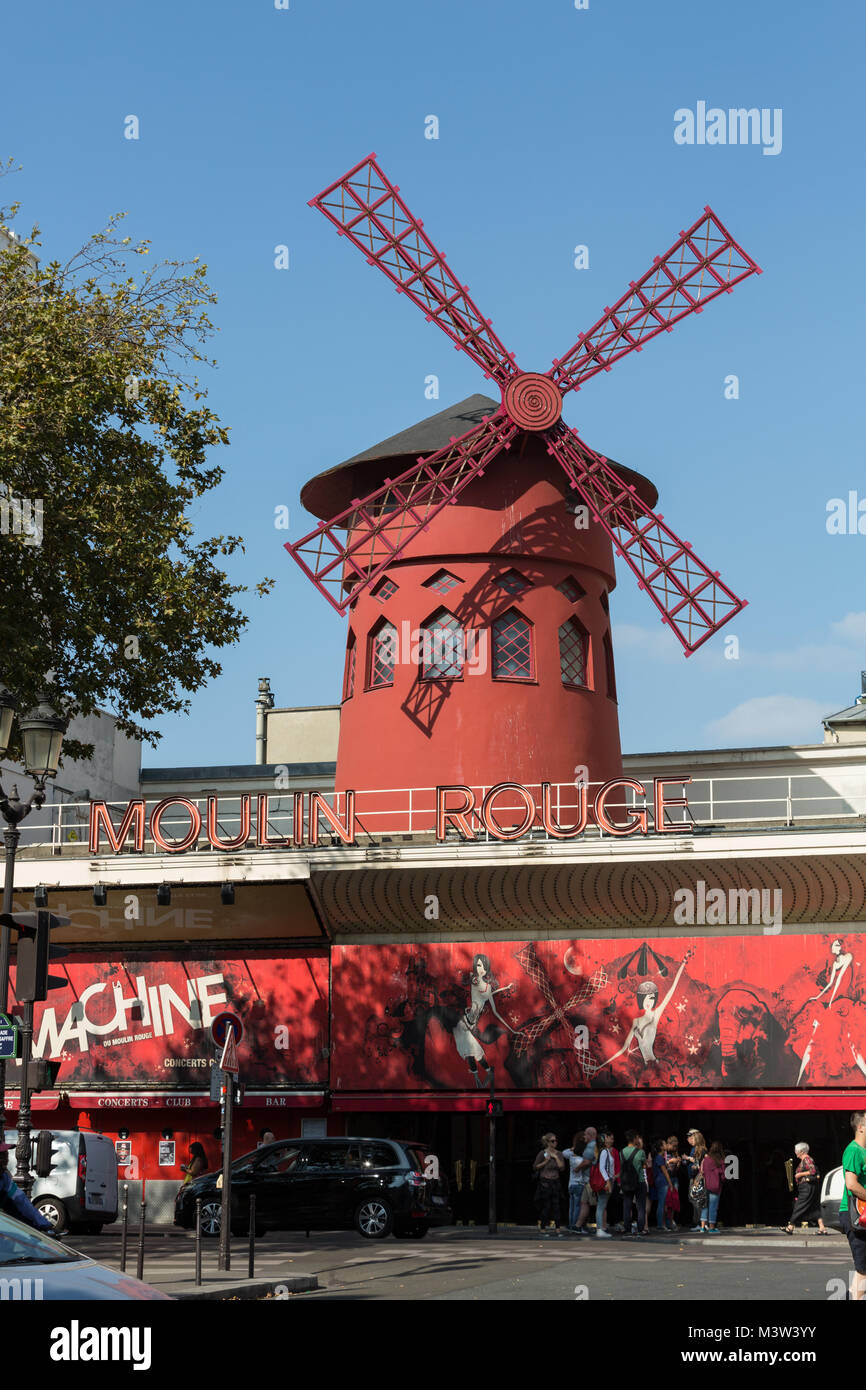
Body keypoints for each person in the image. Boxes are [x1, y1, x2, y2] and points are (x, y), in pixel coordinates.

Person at [840, 1111, 866, 1300]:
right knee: (863, 1269)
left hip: (863, 1212)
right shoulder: (853, 1150)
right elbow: (851, 1184)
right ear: (861, 1127)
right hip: (856, 1215)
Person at [0, 1142, 53, 1233]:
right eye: (1, 1156)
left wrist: (44, 1225)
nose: (6, 1160)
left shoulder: (4, 1178)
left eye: (6, 1155)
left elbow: (21, 1200)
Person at [783, 1141, 826, 1234]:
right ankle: (822, 1228)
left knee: (798, 1206)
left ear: (801, 1151)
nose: (795, 1152)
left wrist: (799, 1174)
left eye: (796, 1150)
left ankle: (790, 1227)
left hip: (807, 1188)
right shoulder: (806, 1160)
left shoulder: (807, 1159)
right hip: (810, 1187)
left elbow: (813, 1171)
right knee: (814, 1208)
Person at [533, 1132, 566, 1237]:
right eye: (552, 1141)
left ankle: (557, 1229)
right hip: (545, 1183)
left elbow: (562, 1167)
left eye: (556, 1140)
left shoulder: (559, 1153)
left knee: (556, 1206)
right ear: (547, 1142)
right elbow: (535, 1166)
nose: (555, 1142)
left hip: (555, 1182)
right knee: (546, 1206)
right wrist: (545, 1161)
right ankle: (543, 1228)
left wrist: (555, 1157)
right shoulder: (542, 1153)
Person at [620, 1130, 647, 1238]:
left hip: (626, 1181)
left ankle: (627, 1229)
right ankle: (640, 1229)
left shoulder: (621, 1152)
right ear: (635, 1138)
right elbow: (644, 1165)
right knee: (640, 1207)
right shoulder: (640, 1152)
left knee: (627, 1206)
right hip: (639, 1181)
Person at [572, 1126, 598, 1234]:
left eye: (585, 1134)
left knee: (599, 1205)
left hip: (590, 1181)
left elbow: (587, 1162)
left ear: (590, 1135)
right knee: (584, 1203)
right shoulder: (594, 1146)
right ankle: (578, 1226)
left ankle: (601, 1227)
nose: (584, 1136)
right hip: (588, 1180)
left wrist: (577, 1168)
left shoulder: (591, 1146)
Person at [562, 1128, 589, 1232]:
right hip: (579, 1184)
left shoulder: (571, 1157)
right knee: (578, 1207)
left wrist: (572, 1148)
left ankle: (571, 1225)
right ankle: (575, 1226)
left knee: (572, 1207)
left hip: (571, 1184)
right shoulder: (582, 1159)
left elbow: (564, 1153)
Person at [594, 1130, 616, 1239]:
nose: (610, 1139)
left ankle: (600, 1229)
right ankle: (599, 1229)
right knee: (601, 1205)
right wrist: (608, 1182)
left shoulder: (605, 1151)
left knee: (602, 1205)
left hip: (607, 1180)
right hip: (605, 1181)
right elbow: (602, 1168)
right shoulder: (604, 1152)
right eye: (607, 1137)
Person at [700, 1140, 726, 1232]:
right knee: (713, 1207)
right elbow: (723, 1175)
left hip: (706, 1185)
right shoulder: (720, 1161)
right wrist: (722, 1181)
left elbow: (702, 1171)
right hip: (715, 1186)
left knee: (704, 1206)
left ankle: (702, 1227)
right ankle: (711, 1227)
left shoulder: (706, 1160)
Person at [685, 1128, 707, 1230]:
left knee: (696, 1199)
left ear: (697, 1138)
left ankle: (700, 1222)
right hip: (694, 1177)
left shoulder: (701, 1150)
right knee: (695, 1199)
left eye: (692, 1138)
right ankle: (699, 1222)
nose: (689, 1139)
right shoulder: (695, 1149)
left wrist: (691, 1161)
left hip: (697, 1178)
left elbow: (702, 1164)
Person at [651, 1138, 673, 1231]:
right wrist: (670, 1184)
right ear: (661, 1147)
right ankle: (661, 1224)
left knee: (662, 1203)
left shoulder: (659, 1157)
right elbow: (665, 1172)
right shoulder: (659, 1157)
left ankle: (663, 1224)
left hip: (659, 1181)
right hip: (662, 1182)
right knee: (662, 1203)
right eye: (664, 1144)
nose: (666, 1145)